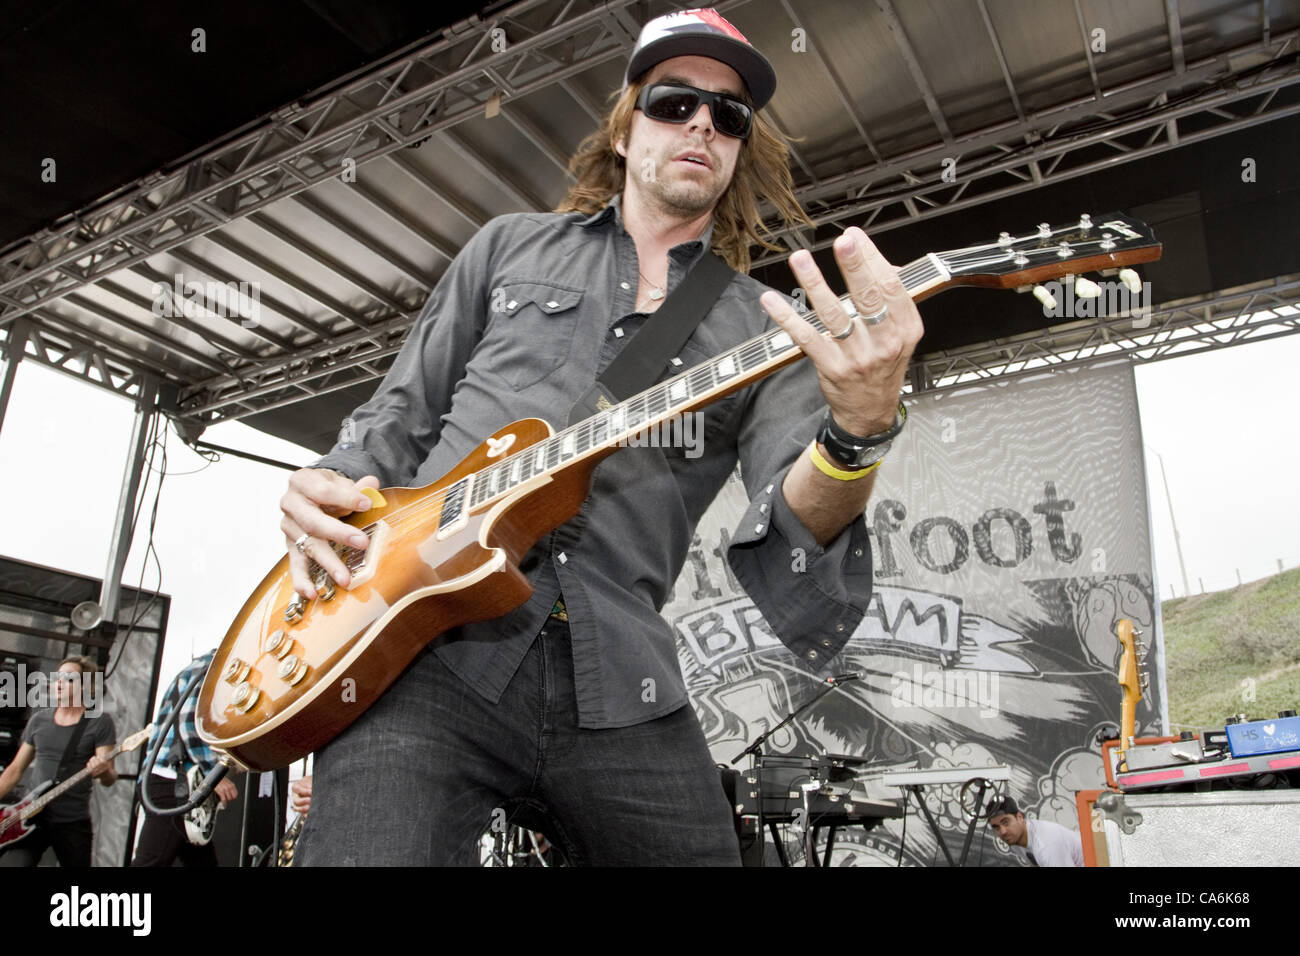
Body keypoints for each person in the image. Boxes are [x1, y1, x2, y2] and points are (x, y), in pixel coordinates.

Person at [278, 8, 924, 865]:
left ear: (737, 149)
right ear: (626, 128)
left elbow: (798, 523)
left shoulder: (767, 327)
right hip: (425, 651)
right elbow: (396, 417)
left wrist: (861, 430)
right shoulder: (508, 248)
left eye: (729, 115)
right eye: (673, 101)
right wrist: (327, 483)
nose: (702, 122)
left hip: (622, 681)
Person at [0, 655, 117, 867]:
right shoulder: (40, 720)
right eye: (57, 678)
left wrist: (102, 771)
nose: (60, 682)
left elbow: (109, 777)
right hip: (32, 814)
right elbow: (15, 770)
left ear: (86, 686)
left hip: (72, 820)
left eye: (69, 678)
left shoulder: (99, 722)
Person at [132, 650, 239, 867]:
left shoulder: (200, 666)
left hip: (174, 781)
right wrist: (213, 775)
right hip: (173, 783)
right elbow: (189, 723)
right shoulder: (213, 667)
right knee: (151, 862)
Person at [986, 796, 1084, 867]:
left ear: (1020, 817)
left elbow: (1044, 855)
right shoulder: (1015, 838)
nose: (1003, 832)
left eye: (1006, 822)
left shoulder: (1047, 846)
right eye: (996, 827)